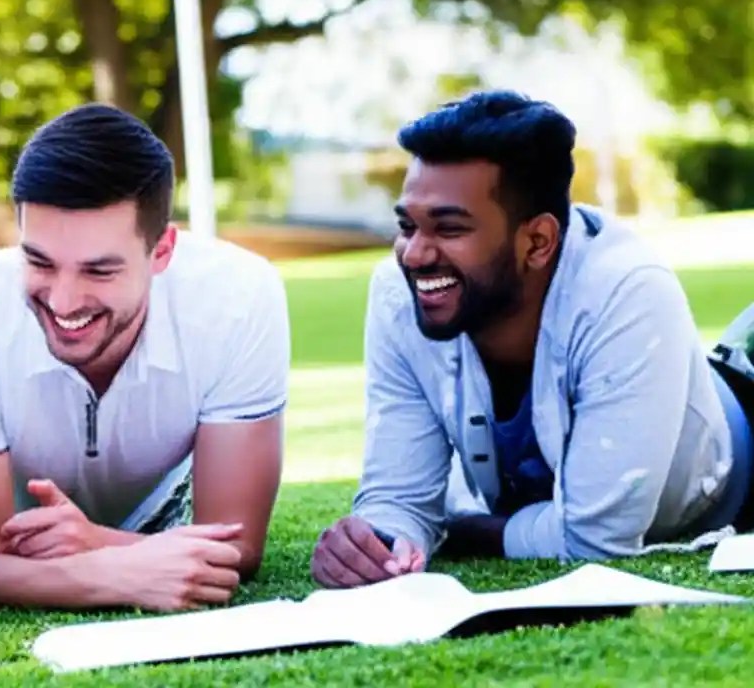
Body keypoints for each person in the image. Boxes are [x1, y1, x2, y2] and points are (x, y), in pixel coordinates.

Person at [311, 90, 754, 588]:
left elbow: (593, 539)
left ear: (538, 241)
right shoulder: (400, 296)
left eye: (449, 228)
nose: (414, 254)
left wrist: (465, 530)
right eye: (407, 225)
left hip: (740, 463)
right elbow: (400, 498)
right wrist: (377, 545)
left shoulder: (627, 289)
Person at [0, 103, 290, 612]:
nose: (64, 301)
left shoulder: (239, 297)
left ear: (162, 251)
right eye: (39, 261)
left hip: (155, 519)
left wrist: (93, 541)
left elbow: (235, 549)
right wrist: (117, 575)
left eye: (99, 271)